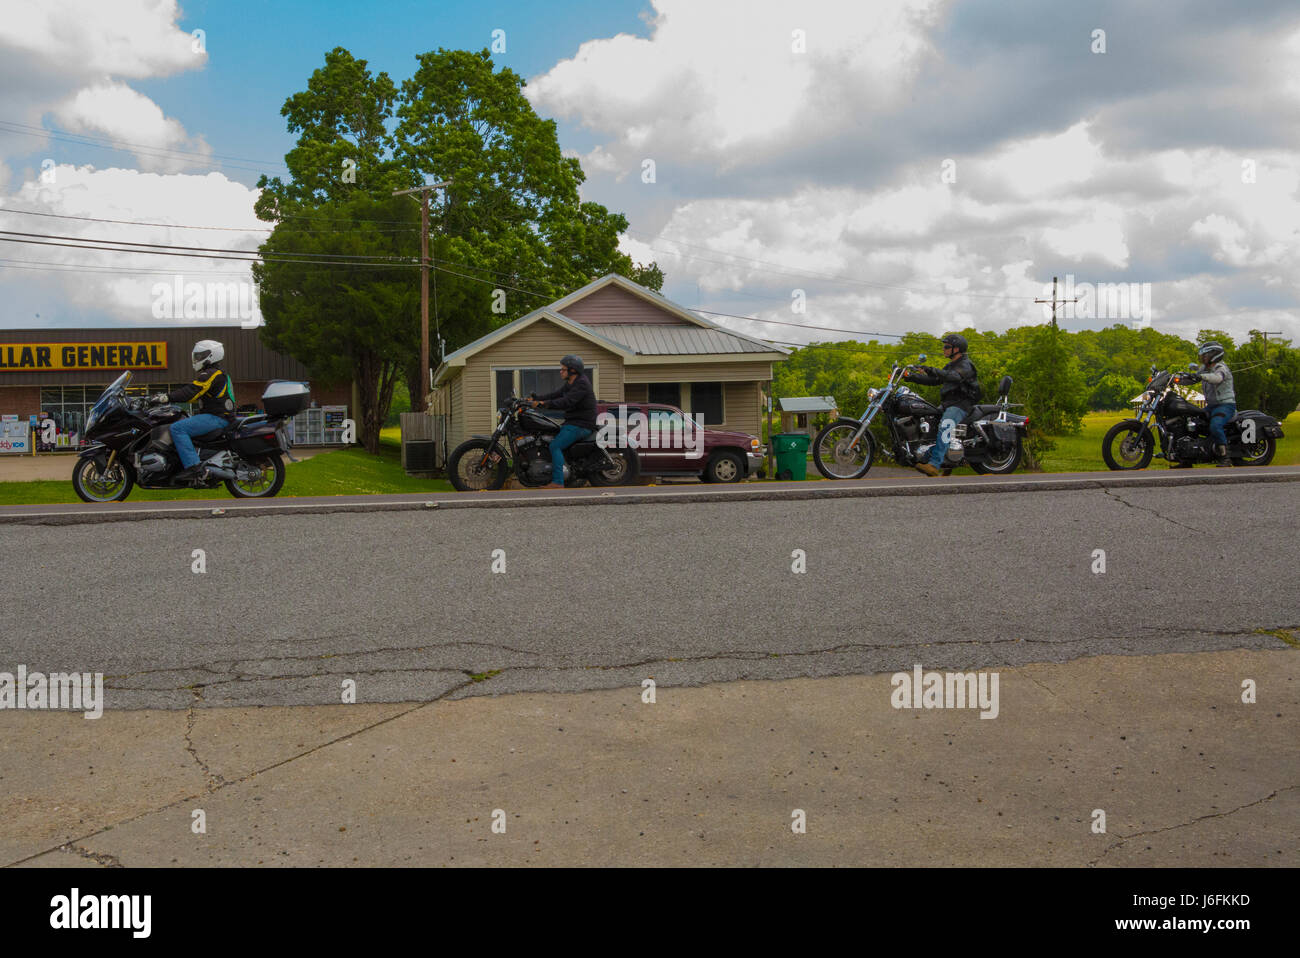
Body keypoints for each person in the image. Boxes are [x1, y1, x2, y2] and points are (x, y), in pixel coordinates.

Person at [153, 340, 237, 481]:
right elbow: (194, 396)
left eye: (200, 355)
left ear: (211, 356)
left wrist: (166, 397)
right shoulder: (217, 374)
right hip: (219, 416)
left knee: (177, 428)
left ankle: (194, 468)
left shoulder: (211, 374)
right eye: (197, 356)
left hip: (217, 418)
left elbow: (192, 391)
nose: (196, 359)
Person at [903, 333, 980, 477]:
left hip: (961, 404)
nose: (944, 349)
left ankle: (934, 465)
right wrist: (910, 377)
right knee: (929, 421)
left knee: (946, 425)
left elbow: (954, 377)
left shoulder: (966, 364)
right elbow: (934, 381)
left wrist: (931, 369)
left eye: (947, 347)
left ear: (957, 349)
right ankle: (943, 460)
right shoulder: (951, 365)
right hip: (948, 403)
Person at [528, 354, 596, 489]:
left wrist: (543, 404)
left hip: (581, 424)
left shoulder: (581, 384)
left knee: (555, 446)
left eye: (563, 369)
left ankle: (558, 482)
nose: (561, 371)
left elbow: (566, 401)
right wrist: (536, 399)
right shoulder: (571, 383)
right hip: (573, 422)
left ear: (573, 370)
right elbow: (556, 394)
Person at [1189, 341, 1234, 466]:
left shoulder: (1221, 368)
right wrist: (1176, 379)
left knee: (1215, 425)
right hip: (1211, 406)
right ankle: (1188, 458)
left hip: (1225, 405)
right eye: (1202, 355)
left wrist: (1202, 376)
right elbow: (1193, 379)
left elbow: (1217, 378)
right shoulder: (1204, 369)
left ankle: (1225, 457)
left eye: (1205, 355)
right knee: (1192, 422)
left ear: (1214, 355)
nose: (1203, 357)